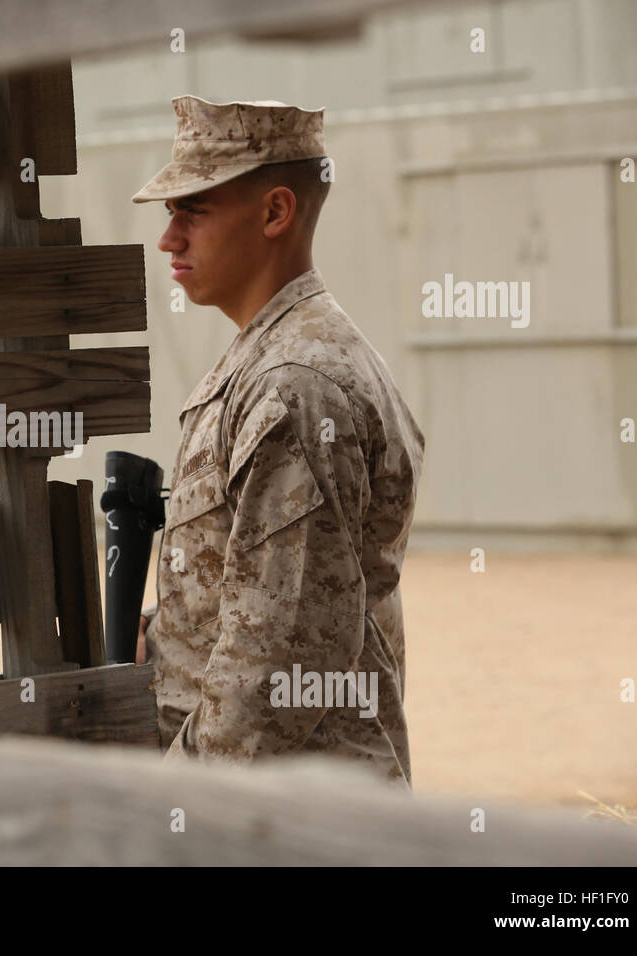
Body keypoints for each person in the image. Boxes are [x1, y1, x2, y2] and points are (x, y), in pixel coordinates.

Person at [131, 96, 425, 786]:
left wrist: (168, 814)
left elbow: (274, 667)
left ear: (275, 213)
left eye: (193, 210)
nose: (169, 239)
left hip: (288, 817)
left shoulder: (294, 387)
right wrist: (164, 631)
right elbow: (271, 594)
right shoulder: (276, 358)